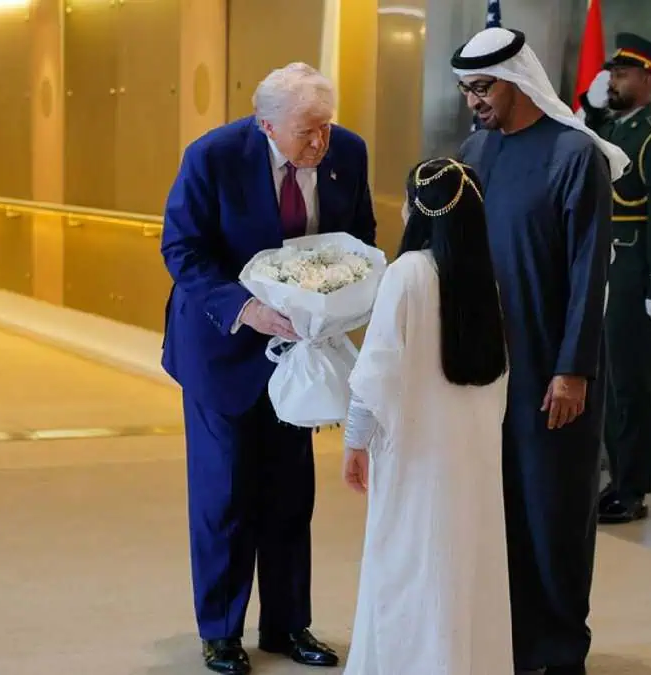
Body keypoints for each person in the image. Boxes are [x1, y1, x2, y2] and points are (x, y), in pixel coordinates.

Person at [160, 62, 377, 675]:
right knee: (224, 492)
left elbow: (357, 236)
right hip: (221, 346)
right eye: (306, 132)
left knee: (289, 492)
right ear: (265, 126)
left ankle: (288, 625)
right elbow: (182, 247)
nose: (320, 143)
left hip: (304, 350)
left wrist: (342, 299)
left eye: (326, 127)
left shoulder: (348, 153)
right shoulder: (212, 157)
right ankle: (221, 632)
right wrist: (245, 308)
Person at [450, 27, 626, 675]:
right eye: (467, 88)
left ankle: (560, 650)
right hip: (485, 368)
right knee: (498, 508)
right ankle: (512, 641)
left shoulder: (574, 154)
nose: (474, 101)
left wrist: (573, 368)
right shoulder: (475, 150)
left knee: (554, 509)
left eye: (483, 86)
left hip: (555, 367)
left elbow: (589, 274)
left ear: (518, 80)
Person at [340, 157, 513, 674]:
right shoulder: (485, 282)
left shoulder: (408, 273)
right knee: (465, 564)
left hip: (415, 455)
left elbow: (376, 371)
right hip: (473, 452)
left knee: (408, 564)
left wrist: (354, 441)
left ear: (420, 209)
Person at [579, 33, 651, 525]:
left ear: (648, 79)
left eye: (622, 74)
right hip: (605, 269)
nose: (613, 81)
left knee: (631, 383)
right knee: (604, 376)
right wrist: (590, 105)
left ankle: (631, 487)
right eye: (612, 73)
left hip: (634, 274)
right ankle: (614, 479)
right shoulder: (616, 128)